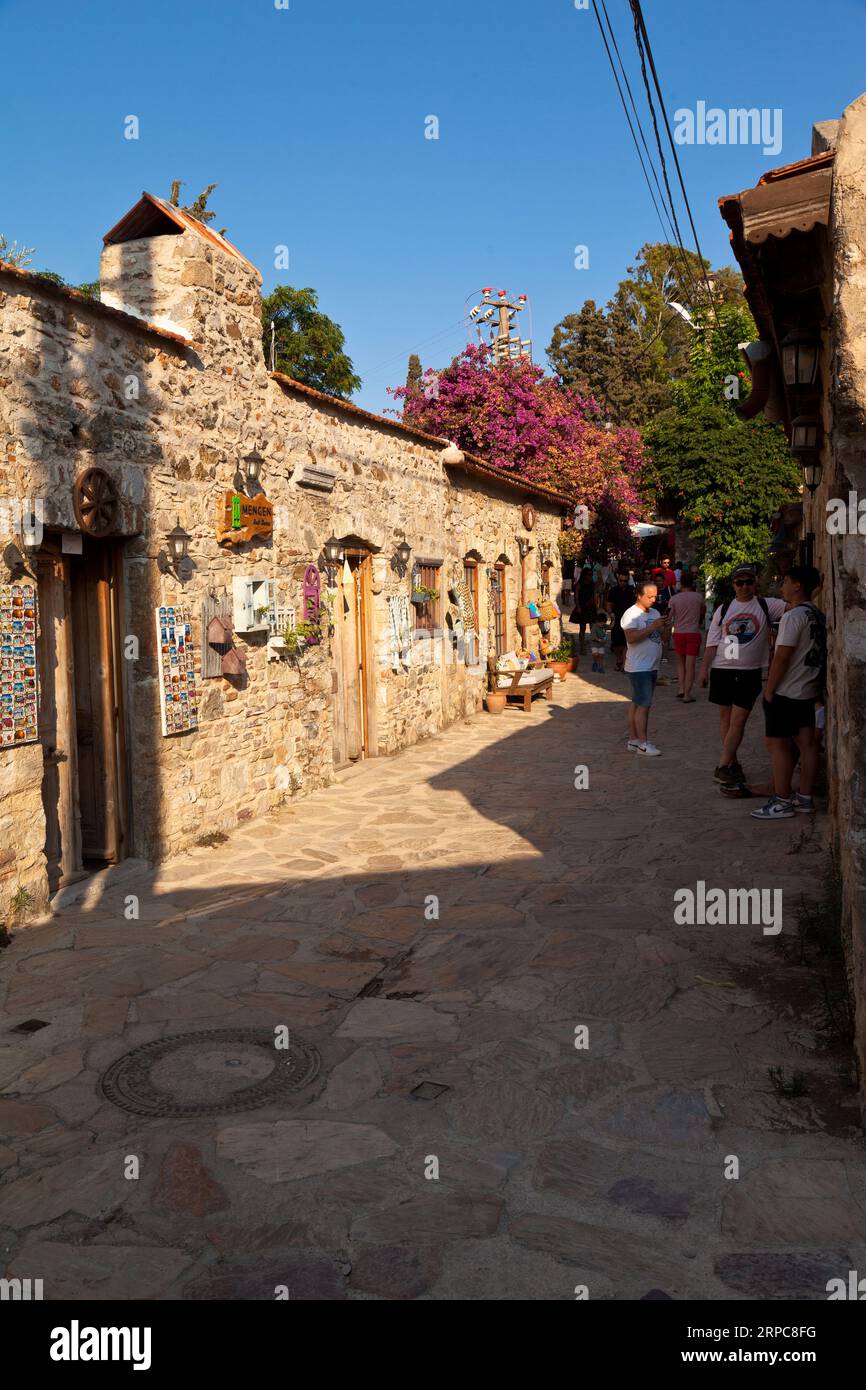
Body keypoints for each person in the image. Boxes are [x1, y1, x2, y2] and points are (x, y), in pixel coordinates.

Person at [698, 565, 786, 787]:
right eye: (740, 582)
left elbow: (796, 605)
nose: (744, 586)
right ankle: (732, 764)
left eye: (748, 582)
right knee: (726, 720)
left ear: (755, 583)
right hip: (723, 668)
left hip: (749, 672)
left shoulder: (768, 605)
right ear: (733, 585)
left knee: (739, 720)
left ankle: (722, 765)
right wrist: (703, 670)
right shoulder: (724, 609)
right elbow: (712, 643)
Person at [750, 565, 825, 821]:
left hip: (788, 690)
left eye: (785, 582)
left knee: (777, 745)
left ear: (797, 586)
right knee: (808, 745)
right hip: (807, 688)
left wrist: (769, 690)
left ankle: (782, 800)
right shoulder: (816, 614)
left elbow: (782, 657)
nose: (781, 586)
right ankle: (804, 798)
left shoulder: (794, 617)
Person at [622, 578, 670, 757]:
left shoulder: (656, 613)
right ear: (639, 595)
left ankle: (633, 740)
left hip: (651, 666)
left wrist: (666, 626)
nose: (653, 600)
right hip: (638, 666)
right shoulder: (631, 614)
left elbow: (663, 639)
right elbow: (631, 638)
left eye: (655, 597)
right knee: (644, 705)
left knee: (637, 702)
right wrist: (653, 627)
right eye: (649, 597)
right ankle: (643, 743)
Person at [667, 572, 705, 702]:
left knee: (680, 663)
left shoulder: (674, 599)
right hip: (693, 632)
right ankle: (687, 695)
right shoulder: (698, 597)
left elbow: (669, 616)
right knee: (690, 665)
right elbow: (703, 611)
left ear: (680, 583)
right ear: (692, 583)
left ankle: (681, 688)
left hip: (678, 633)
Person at [606, 569, 635, 672]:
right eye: (621, 580)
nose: (622, 582)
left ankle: (623, 663)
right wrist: (611, 613)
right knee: (616, 643)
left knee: (626, 643)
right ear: (618, 580)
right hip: (617, 619)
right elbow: (609, 604)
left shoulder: (632, 590)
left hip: (630, 620)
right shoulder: (613, 590)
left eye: (625, 581)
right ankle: (619, 659)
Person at [571, 564, 597, 654]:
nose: (590, 576)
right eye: (589, 574)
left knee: (593, 627)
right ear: (584, 575)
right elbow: (576, 597)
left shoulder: (592, 584)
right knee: (582, 628)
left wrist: (595, 606)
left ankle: (594, 645)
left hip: (591, 607)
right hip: (582, 607)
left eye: (591, 574)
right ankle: (582, 647)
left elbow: (594, 595)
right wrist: (578, 607)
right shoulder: (579, 584)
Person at [590, 609, 608, 674]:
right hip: (594, 644)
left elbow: (610, 627)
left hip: (601, 645)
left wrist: (613, 620)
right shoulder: (594, 627)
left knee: (601, 655)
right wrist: (599, 640)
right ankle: (595, 663)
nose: (602, 624)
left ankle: (600, 666)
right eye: (600, 623)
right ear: (597, 621)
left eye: (603, 623)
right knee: (595, 654)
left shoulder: (604, 626)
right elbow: (593, 637)